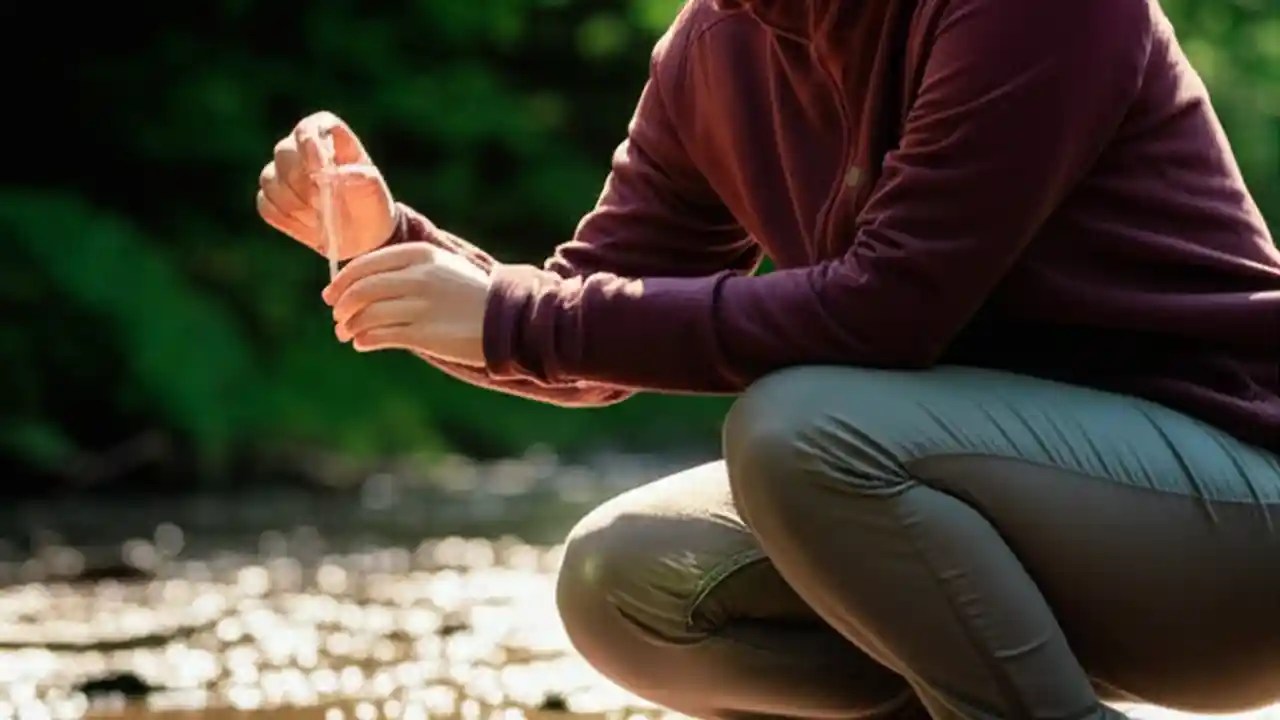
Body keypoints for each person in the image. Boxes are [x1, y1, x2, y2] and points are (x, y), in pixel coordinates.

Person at [257, 0, 1280, 716]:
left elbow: (886, 312)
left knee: (800, 432)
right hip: (1012, 527)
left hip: (1232, 526)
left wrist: (503, 315)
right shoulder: (713, 48)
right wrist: (392, 245)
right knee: (622, 580)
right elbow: (578, 317)